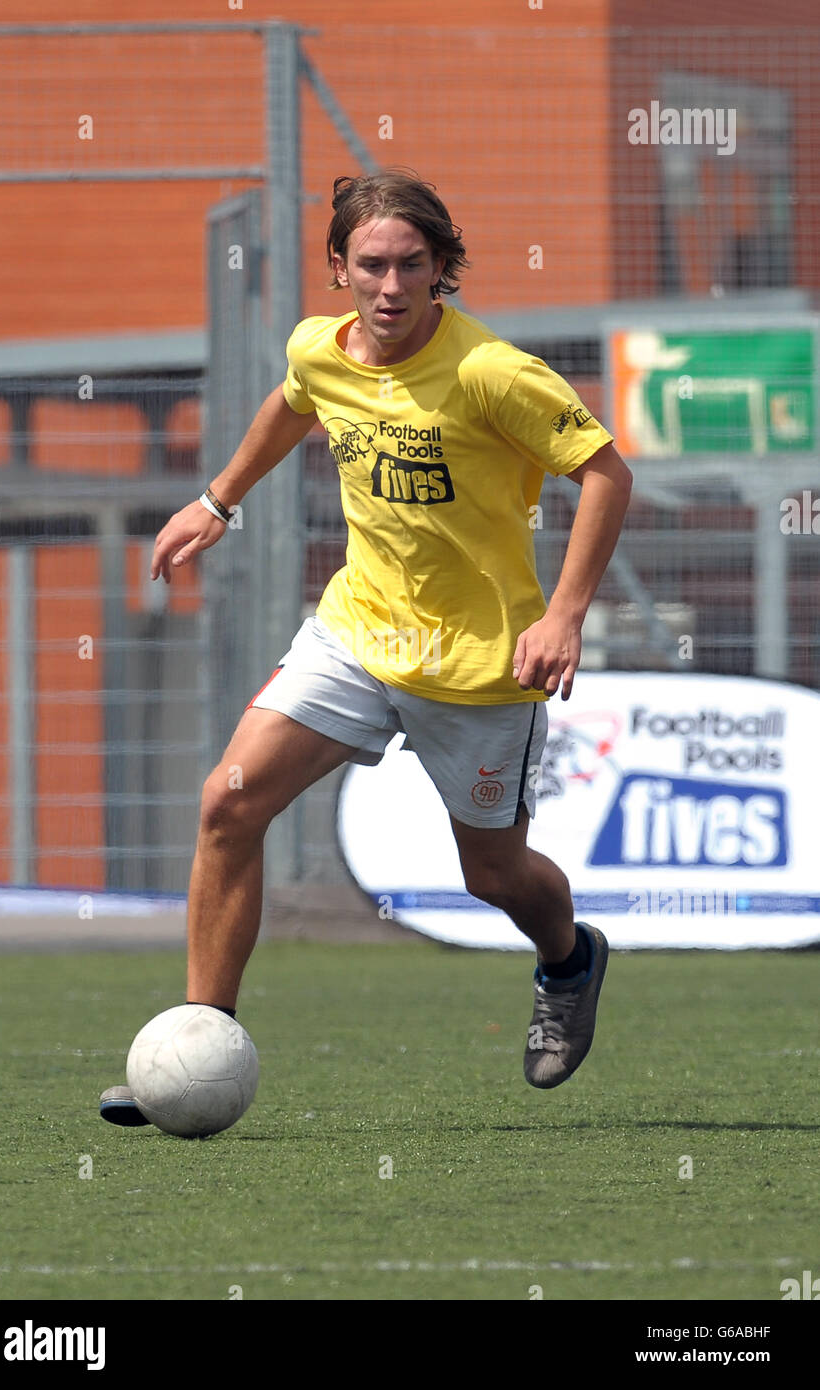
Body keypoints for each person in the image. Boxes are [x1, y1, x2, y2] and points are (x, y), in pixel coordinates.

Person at [100, 168, 632, 1126]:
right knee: (228, 800)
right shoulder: (320, 347)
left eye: (413, 266)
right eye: (372, 265)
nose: (391, 287)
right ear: (339, 266)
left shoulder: (492, 374)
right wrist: (218, 499)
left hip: (479, 666)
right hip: (357, 631)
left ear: (442, 271)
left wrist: (564, 613)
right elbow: (296, 402)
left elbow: (605, 474)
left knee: (494, 876)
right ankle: (198, 1038)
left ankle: (569, 958)